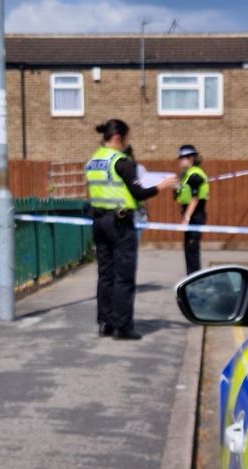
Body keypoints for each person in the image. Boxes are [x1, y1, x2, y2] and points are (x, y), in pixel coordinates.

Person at [87, 119, 177, 340]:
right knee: (123, 275)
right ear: (118, 137)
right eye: (127, 138)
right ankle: (122, 327)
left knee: (105, 275)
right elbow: (138, 193)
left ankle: (105, 323)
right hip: (120, 222)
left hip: (99, 221)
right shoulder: (121, 162)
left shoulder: (93, 161)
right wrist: (162, 186)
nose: (128, 143)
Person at [176, 144, 209, 275]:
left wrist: (186, 218)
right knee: (189, 250)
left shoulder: (195, 175)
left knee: (192, 251)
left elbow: (195, 199)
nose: (180, 160)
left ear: (190, 158)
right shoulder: (188, 174)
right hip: (192, 216)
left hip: (195, 216)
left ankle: (196, 280)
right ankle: (191, 278)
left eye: (182, 158)